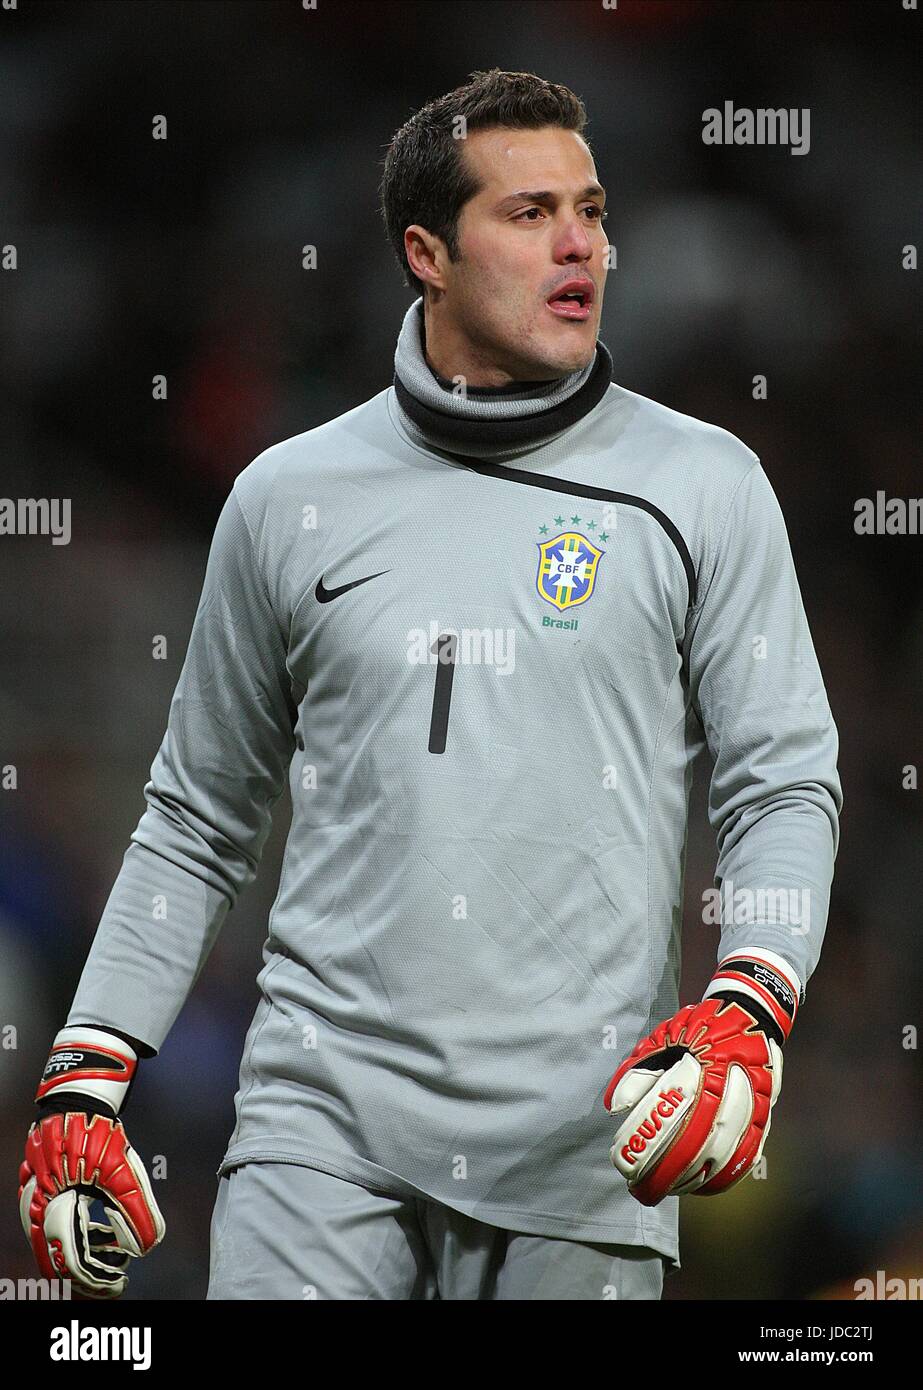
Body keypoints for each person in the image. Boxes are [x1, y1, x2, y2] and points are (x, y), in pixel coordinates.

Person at [19, 68, 841, 1301]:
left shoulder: (704, 486)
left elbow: (783, 782)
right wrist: (85, 1070)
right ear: (425, 253)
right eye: (526, 213)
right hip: (317, 1137)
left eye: (591, 208)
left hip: (588, 1143)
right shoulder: (287, 496)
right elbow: (196, 819)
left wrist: (751, 999)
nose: (579, 245)